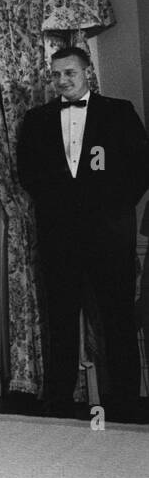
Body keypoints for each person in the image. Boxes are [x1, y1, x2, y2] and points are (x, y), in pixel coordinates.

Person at [17, 46, 149, 422]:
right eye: (56, 74)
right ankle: (58, 400)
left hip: (109, 236)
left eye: (69, 73)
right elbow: (27, 173)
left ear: (88, 72)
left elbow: (140, 168)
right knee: (59, 319)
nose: (62, 81)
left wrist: (112, 209)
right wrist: (60, 208)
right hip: (59, 236)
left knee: (118, 319)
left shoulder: (119, 112)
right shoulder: (38, 119)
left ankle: (125, 402)